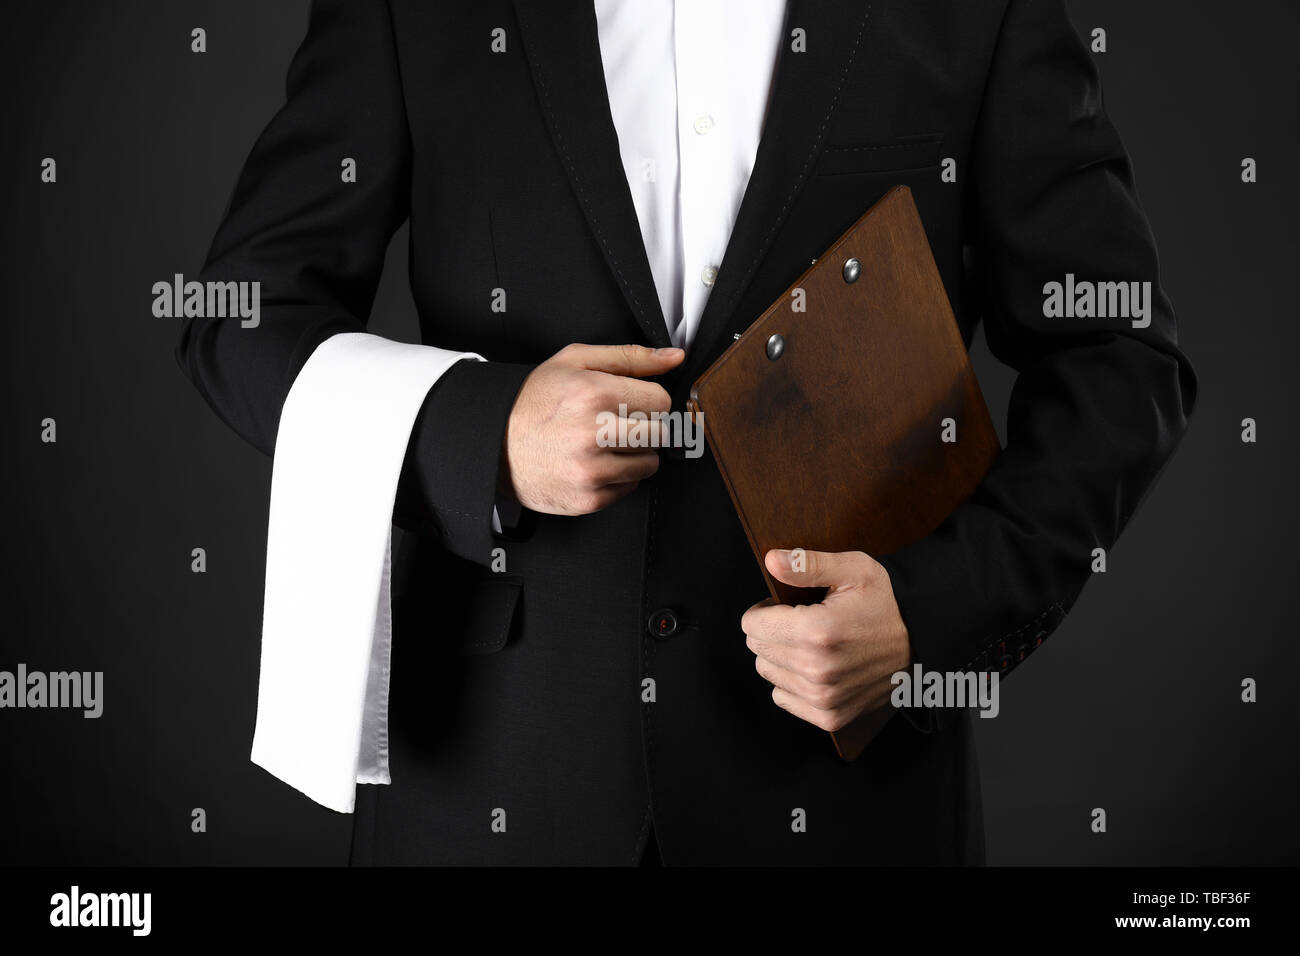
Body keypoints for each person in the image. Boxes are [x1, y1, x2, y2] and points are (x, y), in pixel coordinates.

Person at [175, 0, 1197, 865]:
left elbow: (1119, 355)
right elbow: (237, 314)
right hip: (494, 786)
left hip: (849, 805)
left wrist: (931, 620)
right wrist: (481, 431)